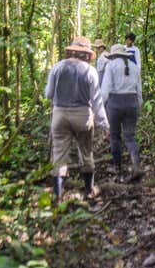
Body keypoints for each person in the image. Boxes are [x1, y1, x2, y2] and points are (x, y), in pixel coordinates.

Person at [44, 36, 109, 199]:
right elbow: (96, 100)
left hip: (60, 115)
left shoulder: (57, 67)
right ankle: (89, 190)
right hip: (83, 115)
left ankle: (57, 195)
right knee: (86, 154)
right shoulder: (90, 71)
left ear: (72, 50)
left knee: (59, 156)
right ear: (86, 54)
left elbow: (48, 94)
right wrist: (104, 123)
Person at [100, 43, 143, 182]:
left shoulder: (111, 66)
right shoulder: (134, 67)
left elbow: (105, 89)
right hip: (132, 102)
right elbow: (139, 90)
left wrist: (101, 105)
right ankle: (136, 165)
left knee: (115, 136)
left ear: (113, 55)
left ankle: (117, 167)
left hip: (115, 104)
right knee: (130, 137)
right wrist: (138, 104)